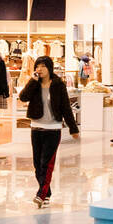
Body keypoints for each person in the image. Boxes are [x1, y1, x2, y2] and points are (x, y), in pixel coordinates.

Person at [17, 55, 79, 207]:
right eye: (38, 66)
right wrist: (32, 81)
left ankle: (40, 194)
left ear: (49, 68)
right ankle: (47, 193)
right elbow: (23, 97)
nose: (40, 69)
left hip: (53, 128)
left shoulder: (58, 84)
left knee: (46, 164)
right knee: (37, 164)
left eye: (43, 66)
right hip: (36, 127)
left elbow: (66, 107)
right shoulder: (35, 84)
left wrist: (73, 128)